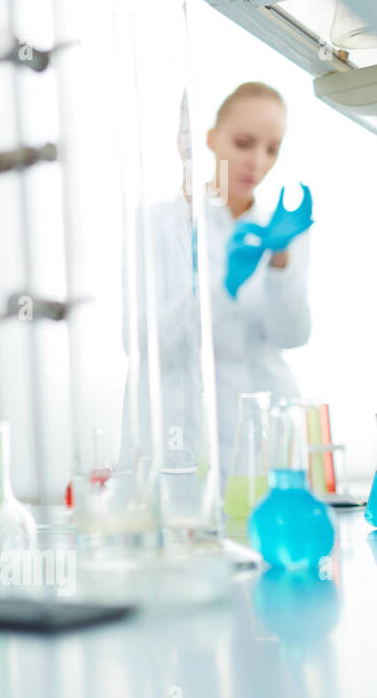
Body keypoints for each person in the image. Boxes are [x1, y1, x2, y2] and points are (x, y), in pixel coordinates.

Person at [119, 81, 311, 488]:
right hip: (184, 436)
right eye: (244, 143)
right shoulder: (160, 224)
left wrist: (281, 263)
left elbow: (291, 336)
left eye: (272, 148)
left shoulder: (280, 231)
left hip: (266, 444)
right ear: (210, 139)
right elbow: (142, 343)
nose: (257, 162)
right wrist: (221, 289)